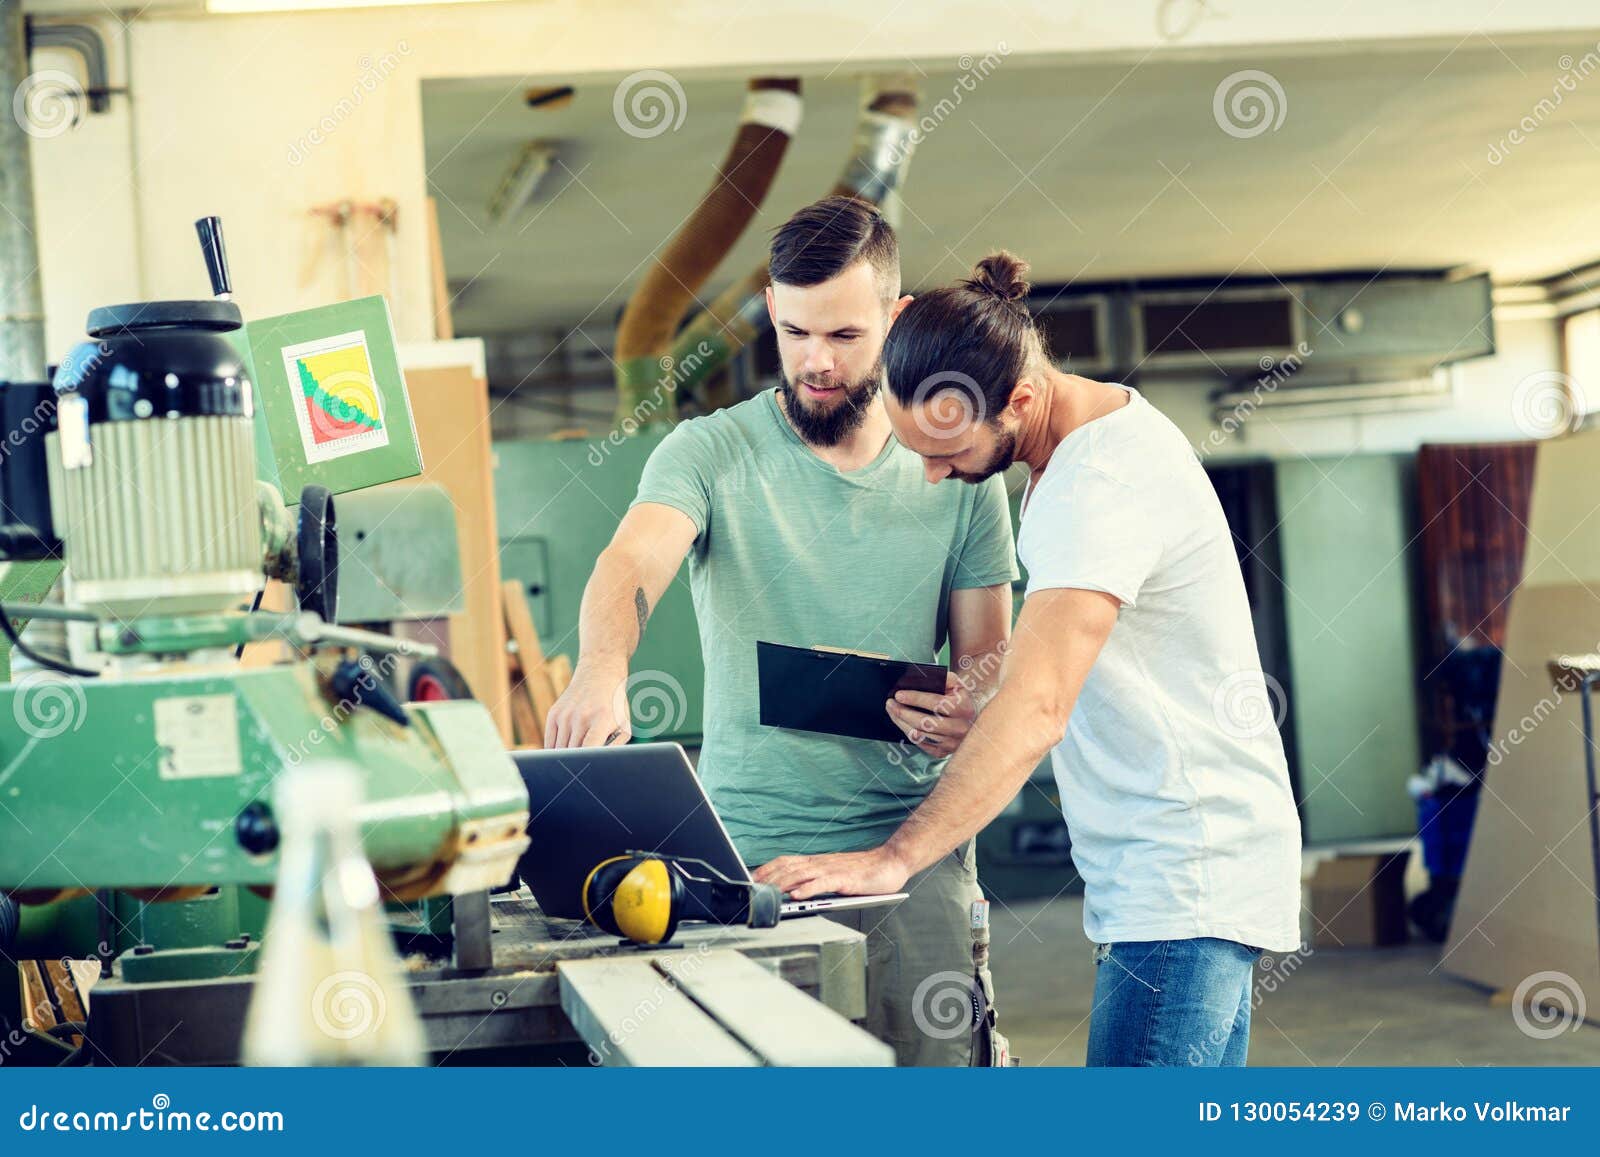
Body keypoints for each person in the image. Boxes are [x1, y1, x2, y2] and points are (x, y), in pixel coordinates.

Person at [756, 251, 1304, 1067]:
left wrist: (893, 857)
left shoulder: (1098, 483)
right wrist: (982, 702)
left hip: (1185, 877)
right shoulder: (1085, 448)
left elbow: (1042, 705)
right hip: (1189, 869)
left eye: (948, 454)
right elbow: (1071, 672)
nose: (937, 477)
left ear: (1018, 398)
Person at [543, 197, 1019, 1066]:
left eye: (843, 336)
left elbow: (989, 655)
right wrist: (601, 667)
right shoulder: (707, 451)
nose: (816, 362)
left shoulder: (959, 470)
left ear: (895, 318)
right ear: (770, 307)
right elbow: (632, 561)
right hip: (749, 858)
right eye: (795, 332)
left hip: (907, 853)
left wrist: (973, 702)